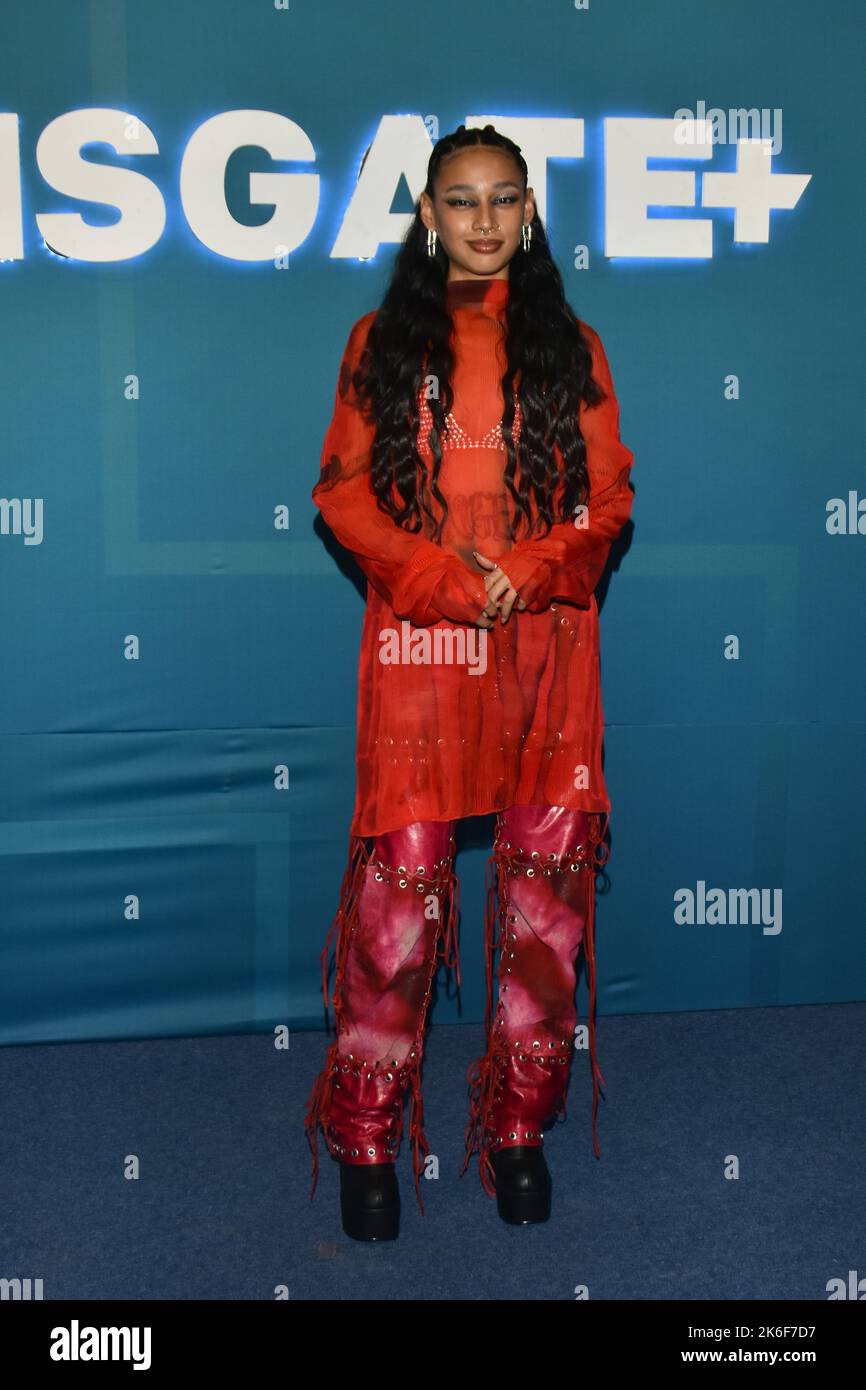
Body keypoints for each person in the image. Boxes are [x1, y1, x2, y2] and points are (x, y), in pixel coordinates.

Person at [304, 123, 634, 1241]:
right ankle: (364, 1135)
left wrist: (532, 571)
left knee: (543, 906)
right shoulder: (380, 341)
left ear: (528, 211)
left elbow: (607, 501)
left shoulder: (572, 347)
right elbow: (343, 498)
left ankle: (517, 1130)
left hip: (546, 649)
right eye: (460, 200)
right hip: (421, 648)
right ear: (428, 215)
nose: (483, 220)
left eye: (503, 199)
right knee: (398, 904)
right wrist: (446, 583)